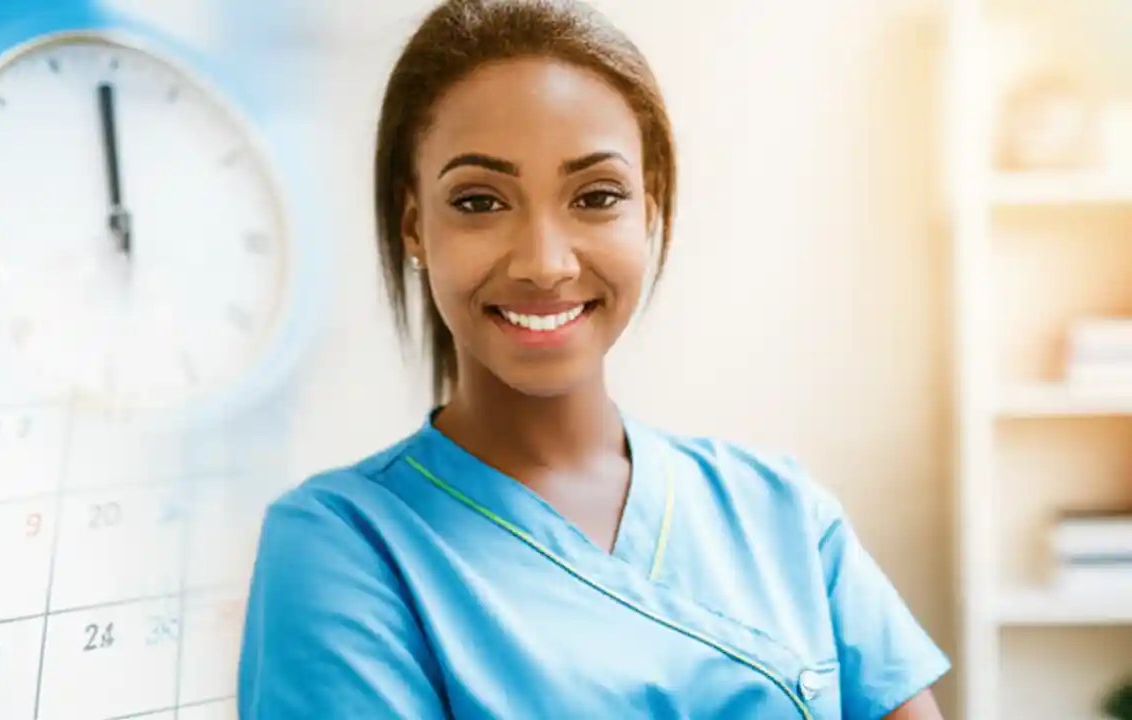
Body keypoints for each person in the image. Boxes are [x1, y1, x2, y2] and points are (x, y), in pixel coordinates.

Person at [237, 1, 950, 718]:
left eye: (596, 196)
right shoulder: (340, 547)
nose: (544, 263)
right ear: (415, 224)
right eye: (481, 201)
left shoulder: (785, 513)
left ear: (650, 208)